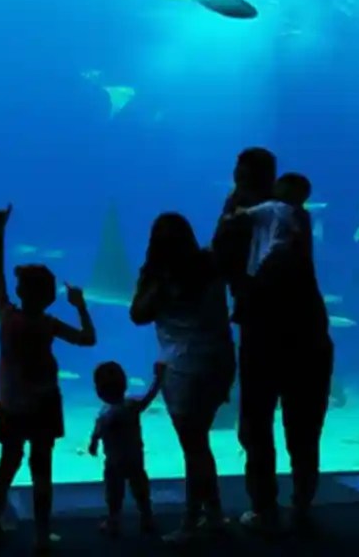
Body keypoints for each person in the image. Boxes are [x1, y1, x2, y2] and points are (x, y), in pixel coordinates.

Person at [213, 149, 333, 534]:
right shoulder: (290, 215)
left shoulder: (280, 215)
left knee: (277, 426)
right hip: (298, 333)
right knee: (284, 427)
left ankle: (280, 506)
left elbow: (221, 260)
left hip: (273, 334)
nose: (238, 185)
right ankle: (288, 504)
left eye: (244, 178)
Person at [0, 203, 98, 551]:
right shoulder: (48, 323)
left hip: (12, 403)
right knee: (42, 470)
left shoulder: (7, 315)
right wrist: (80, 304)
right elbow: (87, 339)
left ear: (20, 292)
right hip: (45, 402)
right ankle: (40, 534)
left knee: (8, 462)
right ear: (51, 296)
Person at [131, 212, 236, 544]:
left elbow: (138, 314)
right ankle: (214, 513)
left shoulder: (159, 277)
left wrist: (157, 283)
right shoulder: (211, 264)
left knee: (193, 447)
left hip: (183, 367)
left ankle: (193, 521)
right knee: (200, 444)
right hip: (218, 361)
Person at [222, 172, 314, 323]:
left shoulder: (273, 207)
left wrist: (231, 211)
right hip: (289, 273)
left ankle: (242, 312)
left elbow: (242, 215)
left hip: (265, 265)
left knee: (254, 298)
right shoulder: (303, 215)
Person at [88, 361, 165, 538]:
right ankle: (147, 517)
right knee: (140, 488)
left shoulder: (105, 414)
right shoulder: (131, 406)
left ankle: (114, 521)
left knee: (114, 493)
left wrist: (93, 443)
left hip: (114, 462)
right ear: (125, 384)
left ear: (99, 391)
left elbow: (98, 433)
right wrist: (158, 379)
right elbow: (149, 397)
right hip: (135, 458)